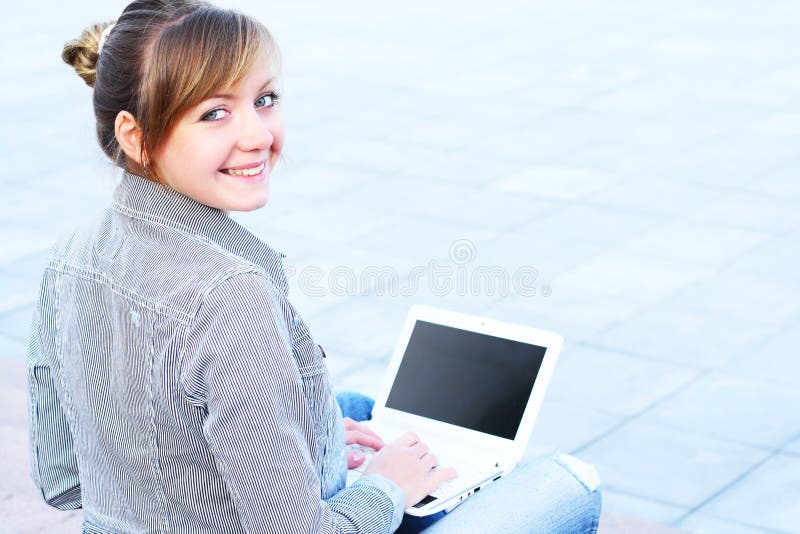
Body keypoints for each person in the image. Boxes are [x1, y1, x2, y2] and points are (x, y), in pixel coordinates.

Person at [27, 1, 602, 532]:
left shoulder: (69, 257)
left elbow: (63, 483)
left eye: (264, 100)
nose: (257, 134)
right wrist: (381, 491)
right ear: (135, 134)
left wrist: (294, 448)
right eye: (215, 114)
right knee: (572, 485)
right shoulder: (227, 296)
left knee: (350, 411)